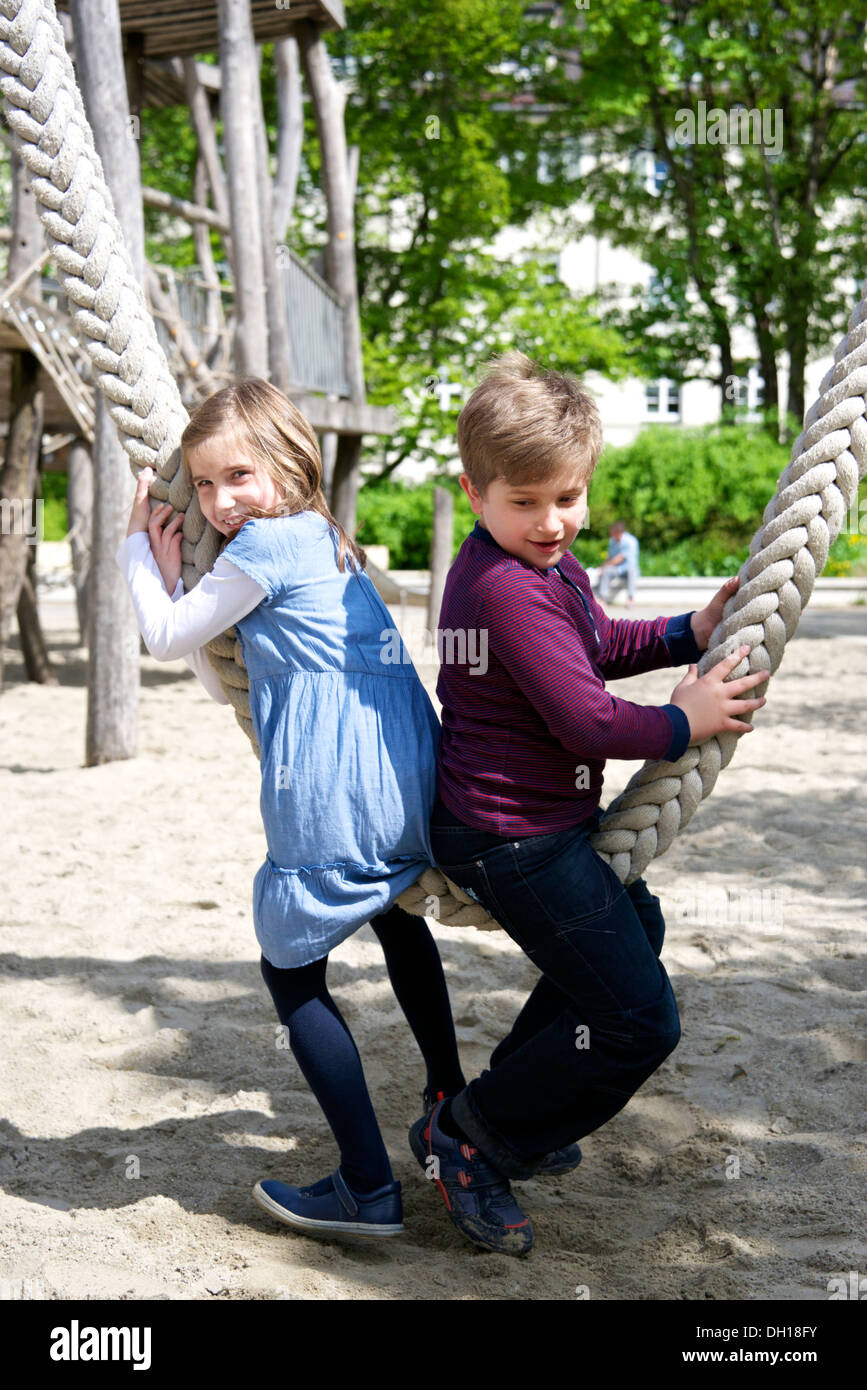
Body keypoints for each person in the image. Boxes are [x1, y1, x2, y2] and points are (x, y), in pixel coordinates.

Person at [411, 351, 767, 1255]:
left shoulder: (544, 570)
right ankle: (469, 1141)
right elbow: (581, 717)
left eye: (566, 498)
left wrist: (685, 630)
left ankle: (504, 1106)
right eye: (523, 501)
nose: (550, 522)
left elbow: (597, 643)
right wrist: (682, 722)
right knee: (639, 1020)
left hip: (543, 825)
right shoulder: (503, 589)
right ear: (474, 490)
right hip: (506, 836)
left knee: (626, 952)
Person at [115, 378, 466, 1240]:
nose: (219, 502)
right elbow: (213, 660)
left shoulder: (263, 546)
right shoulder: (325, 540)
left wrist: (133, 550)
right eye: (201, 486)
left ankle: (364, 1185)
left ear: (289, 462)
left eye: (237, 477)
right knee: (394, 915)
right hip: (402, 771)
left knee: (289, 970)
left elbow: (163, 640)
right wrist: (180, 581)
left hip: (332, 785)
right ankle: (448, 1099)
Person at [596, 520, 639, 605]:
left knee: (631, 570)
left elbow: (620, 558)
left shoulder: (630, 541)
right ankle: (602, 598)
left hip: (628, 569)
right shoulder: (612, 541)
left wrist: (604, 566)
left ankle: (630, 598)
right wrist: (602, 568)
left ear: (618, 532)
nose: (610, 534)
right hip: (617, 569)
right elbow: (610, 557)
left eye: (611, 532)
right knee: (607, 571)